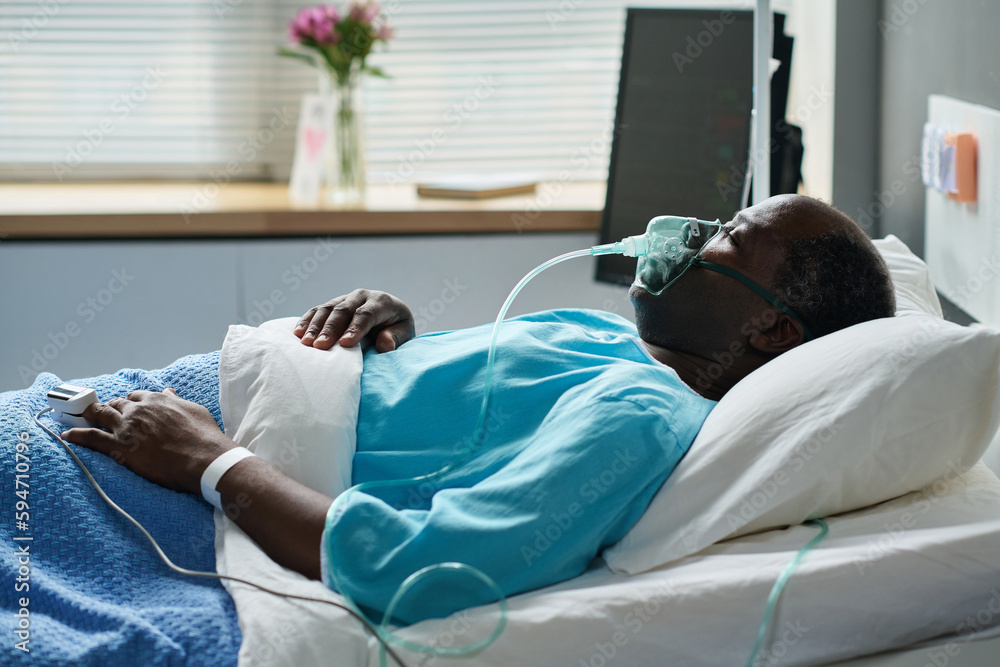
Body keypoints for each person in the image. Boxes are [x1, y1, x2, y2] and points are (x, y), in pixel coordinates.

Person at [61, 194, 895, 623]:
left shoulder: (643, 415)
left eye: (730, 236)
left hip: (181, 468)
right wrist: (400, 342)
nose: (686, 233)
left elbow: (422, 568)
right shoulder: (609, 340)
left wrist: (210, 462)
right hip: (187, 402)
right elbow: (470, 422)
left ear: (770, 327)